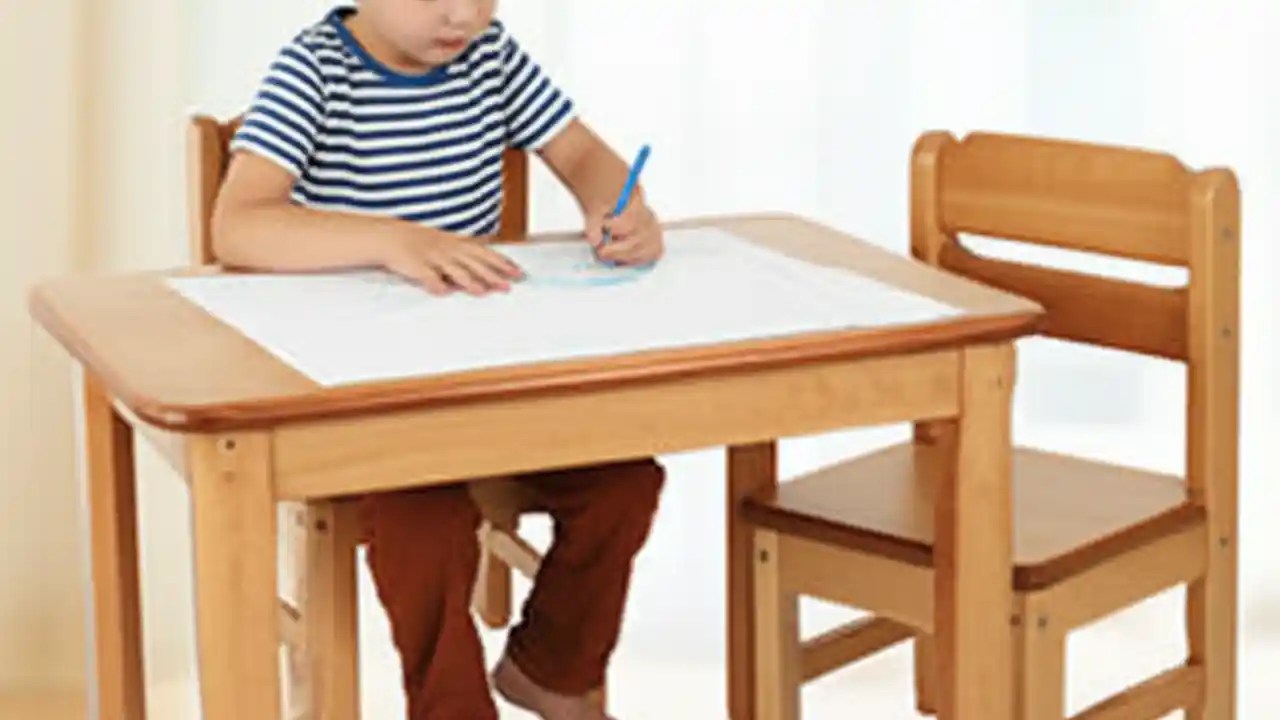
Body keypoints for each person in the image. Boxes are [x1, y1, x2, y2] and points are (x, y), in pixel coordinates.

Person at [211, 2, 666, 718]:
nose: (464, 15)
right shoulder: (316, 69)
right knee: (423, 530)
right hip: (366, 397)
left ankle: (551, 671)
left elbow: (580, 152)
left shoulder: (490, 56)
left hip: (484, 379)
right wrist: (392, 239)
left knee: (624, 482)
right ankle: (451, 707)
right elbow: (239, 225)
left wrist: (623, 206)